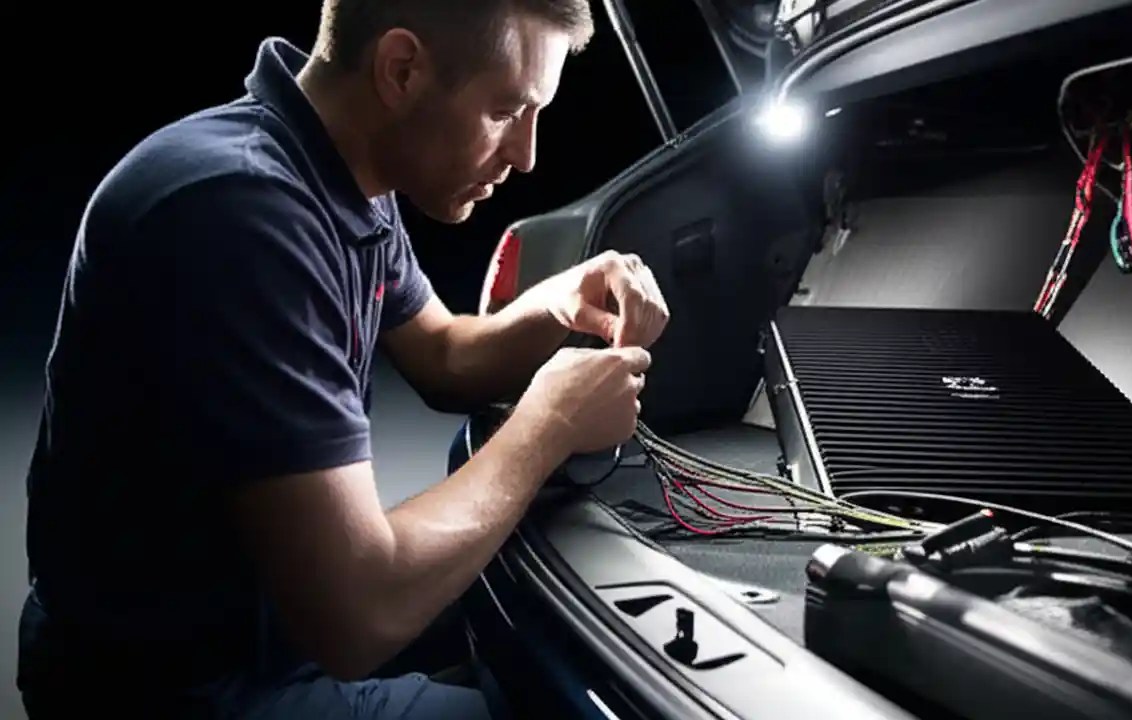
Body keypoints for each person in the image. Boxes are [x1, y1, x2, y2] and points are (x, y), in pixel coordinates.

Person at [17, 0, 670, 717]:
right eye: (506, 110)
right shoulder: (242, 213)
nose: (526, 154)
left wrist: (554, 305)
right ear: (402, 69)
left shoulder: (337, 169)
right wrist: (550, 425)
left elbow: (443, 354)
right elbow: (360, 613)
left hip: (266, 628)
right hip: (170, 686)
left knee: (539, 639)